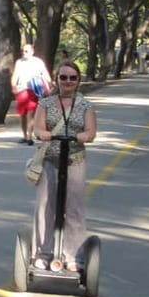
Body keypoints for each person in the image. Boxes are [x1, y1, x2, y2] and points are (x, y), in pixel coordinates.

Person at [32, 61, 97, 271]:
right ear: (56, 79)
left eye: (72, 78)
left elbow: (91, 132)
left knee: (74, 208)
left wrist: (84, 136)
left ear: (78, 80)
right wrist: (43, 133)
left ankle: (73, 256)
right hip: (50, 159)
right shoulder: (45, 104)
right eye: (63, 77)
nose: (68, 81)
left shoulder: (85, 105)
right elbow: (37, 128)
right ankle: (42, 253)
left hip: (74, 160)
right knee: (45, 206)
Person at [11, 44, 52, 145]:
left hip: (34, 90)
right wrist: (14, 86)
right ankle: (24, 135)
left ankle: (30, 136)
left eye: (26, 51)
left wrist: (49, 85)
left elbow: (45, 74)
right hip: (21, 90)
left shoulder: (38, 62)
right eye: (23, 51)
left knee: (31, 113)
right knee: (22, 114)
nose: (24, 53)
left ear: (32, 52)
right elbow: (15, 75)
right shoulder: (19, 62)